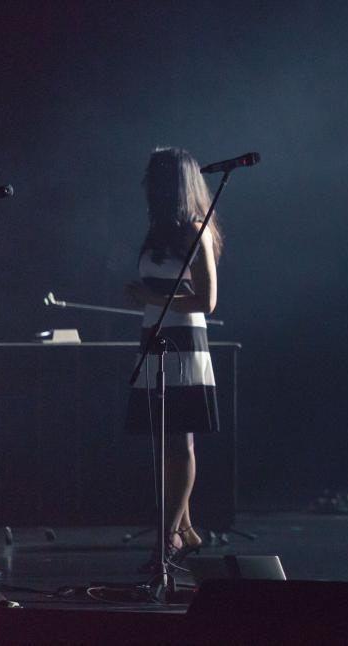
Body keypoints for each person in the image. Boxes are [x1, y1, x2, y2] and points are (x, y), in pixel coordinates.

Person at [124, 147, 222, 572]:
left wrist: (148, 295)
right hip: (154, 336)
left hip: (183, 340)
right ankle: (185, 530)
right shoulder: (159, 230)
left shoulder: (196, 231)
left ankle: (168, 538)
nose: (146, 184)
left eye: (153, 177)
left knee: (179, 442)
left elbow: (207, 301)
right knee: (165, 439)